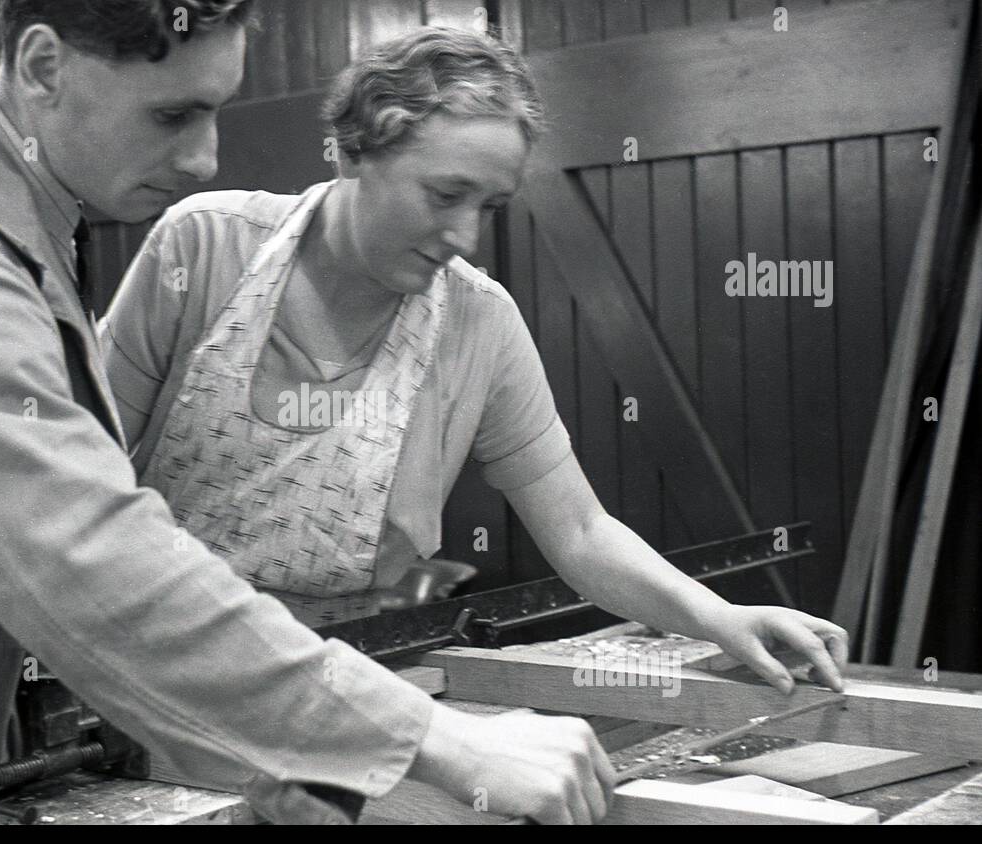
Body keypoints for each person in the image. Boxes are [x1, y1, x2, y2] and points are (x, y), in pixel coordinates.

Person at [0, 1, 623, 826]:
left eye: (214, 106)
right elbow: (97, 562)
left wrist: (267, 740)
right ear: (45, 66)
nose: (204, 154)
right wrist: (441, 741)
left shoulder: (19, 213)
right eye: (173, 112)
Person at [99, 27, 849, 709]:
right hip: (156, 671)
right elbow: (80, 476)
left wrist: (720, 617)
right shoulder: (201, 251)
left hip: (353, 681)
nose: (466, 235)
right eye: (445, 194)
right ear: (357, 150)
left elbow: (582, 530)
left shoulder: (478, 322)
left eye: (490, 205)